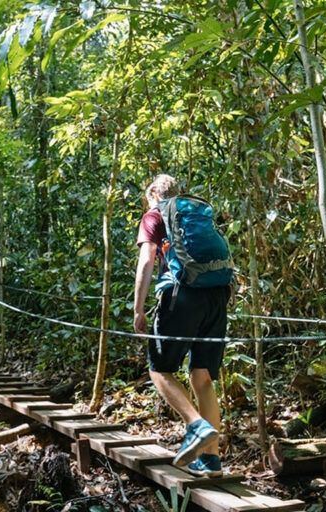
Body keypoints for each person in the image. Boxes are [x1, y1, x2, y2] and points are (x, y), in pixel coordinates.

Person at [133, 174, 231, 477]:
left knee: (159, 369)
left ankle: (196, 425)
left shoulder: (155, 215)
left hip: (183, 295)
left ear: (152, 195)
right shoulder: (195, 212)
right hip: (217, 295)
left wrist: (139, 309)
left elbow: (147, 261)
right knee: (202, 376)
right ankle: (211, 461)